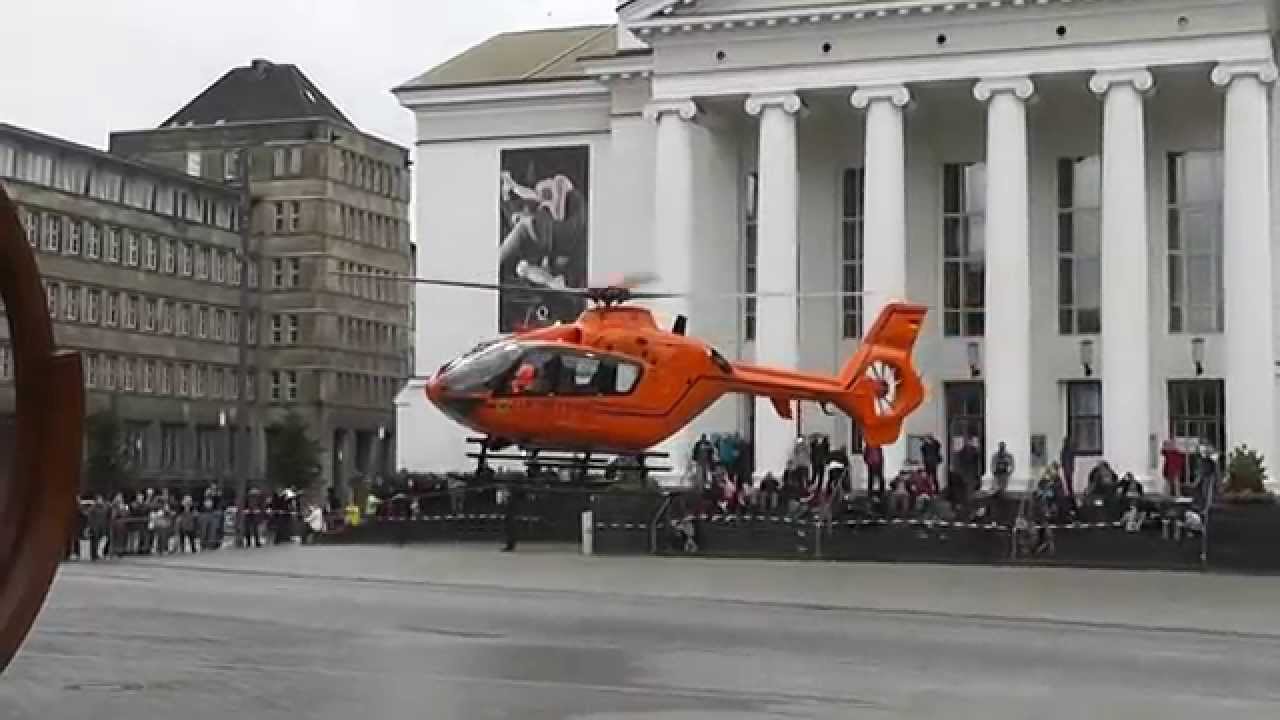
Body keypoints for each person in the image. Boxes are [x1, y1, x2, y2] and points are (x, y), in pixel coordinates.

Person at [501, 477, 524, 552]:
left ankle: (510, 545)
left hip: (512, 512)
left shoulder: (515, 490)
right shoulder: (517, 490)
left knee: (511, 528)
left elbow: (511, 502)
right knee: (510, 528)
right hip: (512, 511)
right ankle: (510, 544)